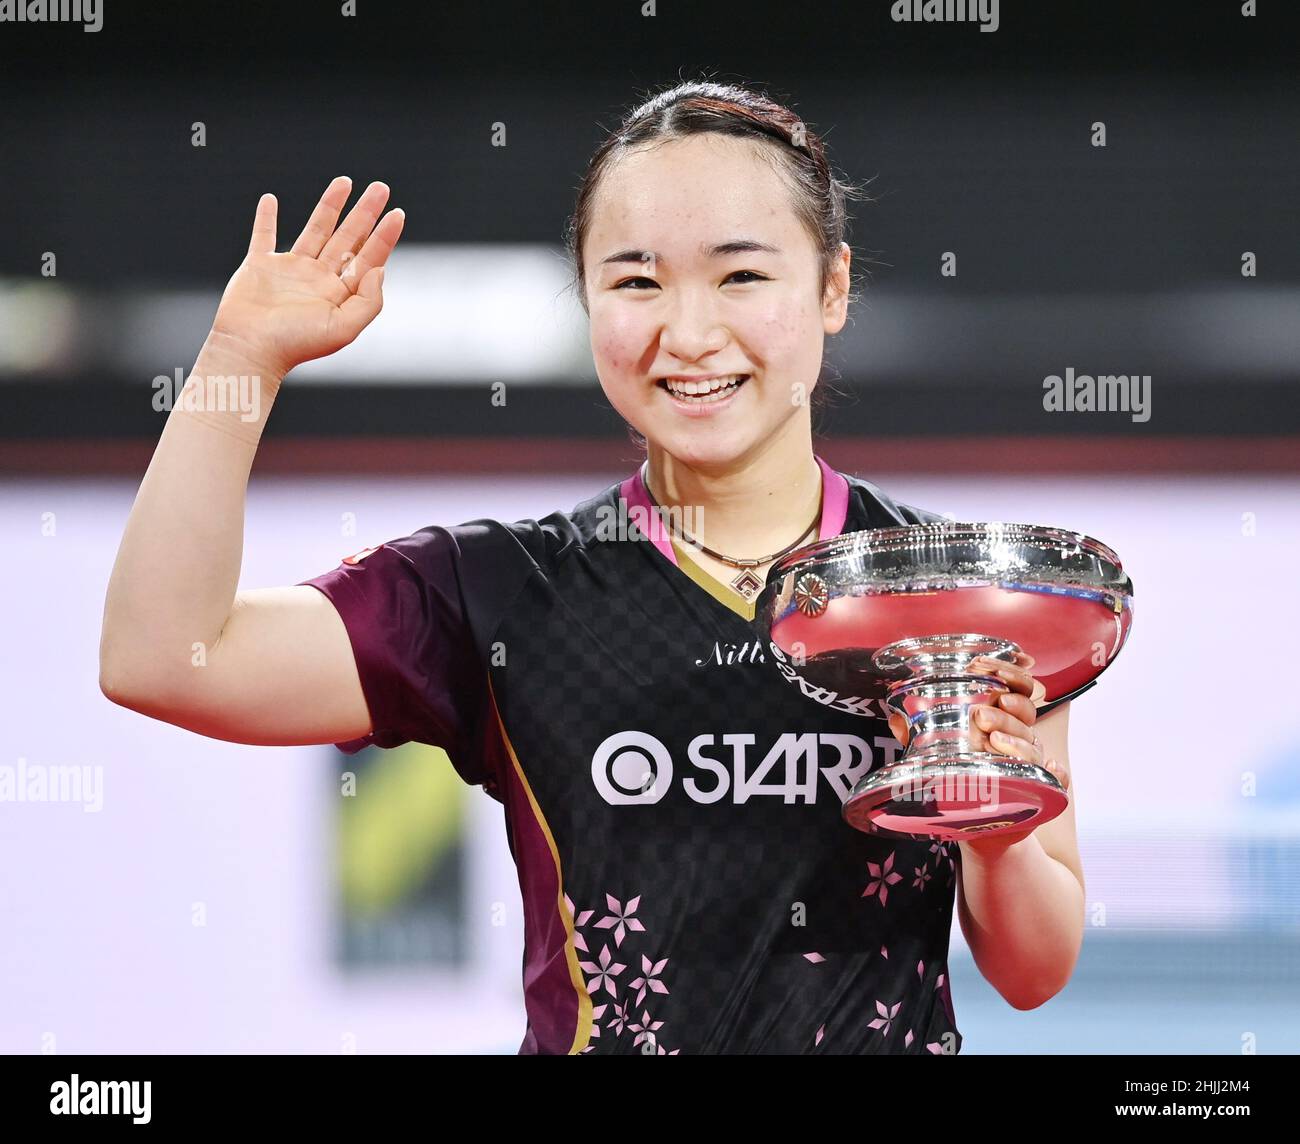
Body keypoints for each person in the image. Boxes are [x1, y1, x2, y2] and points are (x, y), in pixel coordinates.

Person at [100, 79, 1087, 1055]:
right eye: (635, 279)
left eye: (741, 276)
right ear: (585, 299)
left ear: (831, 287)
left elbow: (1032, 971)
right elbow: (163, 657)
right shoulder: (496, 592)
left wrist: (995, 830)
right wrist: (240, 358)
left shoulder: (954, 590)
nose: (690, 333)